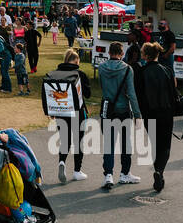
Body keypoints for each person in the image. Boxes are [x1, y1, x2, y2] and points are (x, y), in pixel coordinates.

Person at [98, 42, 141, 189]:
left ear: (109, 52)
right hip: (123, 109)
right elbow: (132, 93)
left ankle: (108, 175)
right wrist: (137, 114)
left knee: (109, 143)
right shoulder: (127, 69)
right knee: (125, 143)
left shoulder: (101, 68)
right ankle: (125, 173)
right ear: (122, 54)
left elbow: (102, 87)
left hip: (107, 107)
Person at [138, 42, 177, 192]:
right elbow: (173, 93)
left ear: (145, 55)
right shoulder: (167, 70)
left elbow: (139, 95)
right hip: (166, 111)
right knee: (165, 145)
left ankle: (157, 170)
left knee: (155, 142)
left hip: (149, 112)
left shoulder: (141, 72)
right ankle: (159, 171)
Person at [47, 48, 90, 183]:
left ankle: (62, 162)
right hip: (78, 112)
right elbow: (88, 94)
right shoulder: (80, 74)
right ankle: (77, 171)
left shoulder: (55, 74)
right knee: (78, 141)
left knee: (65, 140)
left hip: (61, 111)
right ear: (76, 61)